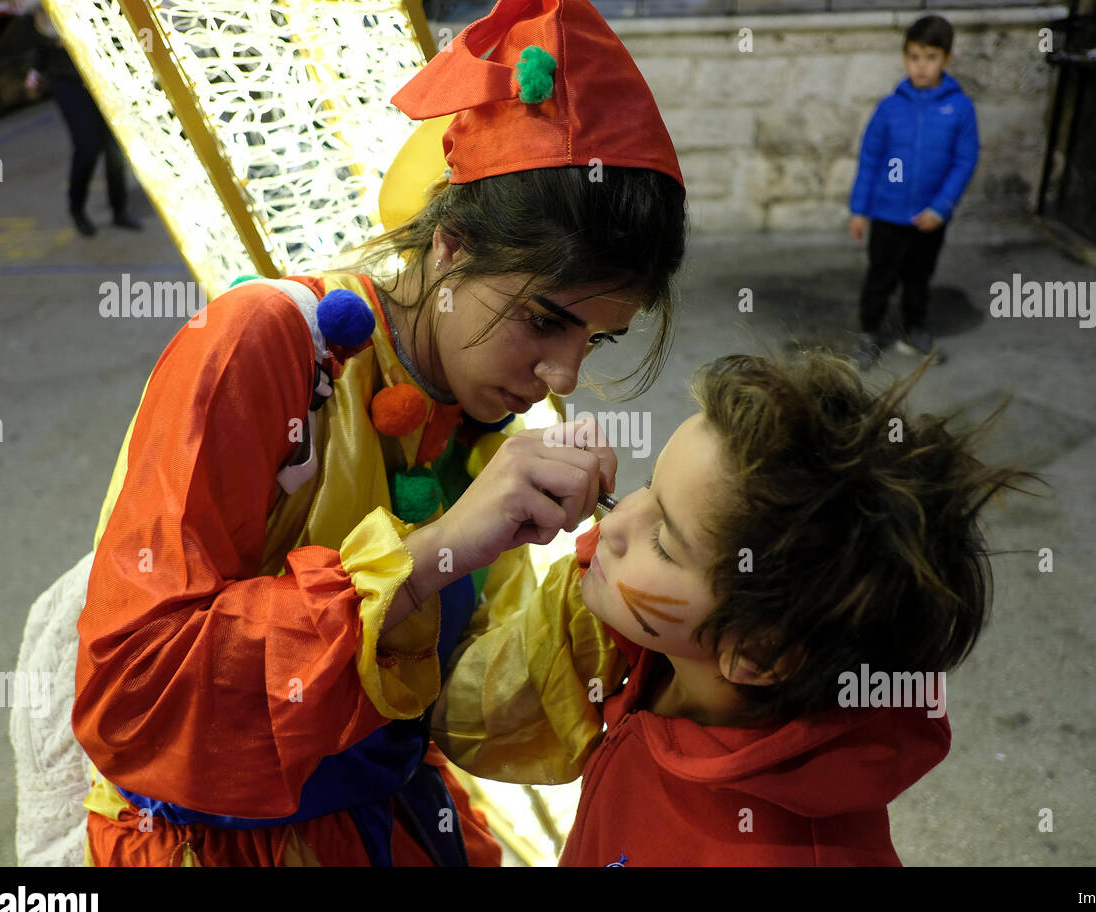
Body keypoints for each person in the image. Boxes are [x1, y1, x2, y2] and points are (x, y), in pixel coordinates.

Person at [58, 0, 688, 866]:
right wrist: (430, 554)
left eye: (597, 339)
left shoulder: (475, 418)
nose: (565, 378)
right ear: (452, 248)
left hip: (389, 822)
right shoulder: (265, 344)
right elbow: (135, 695)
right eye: (545, 321)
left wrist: (614, 590)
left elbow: (453, 709)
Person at [433, 352, 1041, 865]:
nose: (614, 520)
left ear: (757, 651)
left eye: (665, 541)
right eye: (646, 488)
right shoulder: (681, 651)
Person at [848, 15, 979, 370]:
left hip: (928, 219)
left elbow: (964, 161)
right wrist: (859, 209)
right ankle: (869, 332)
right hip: (887, 215)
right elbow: (870, 159)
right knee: (880, 276)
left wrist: (941, 208)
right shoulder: (890, 108)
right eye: (915, 57)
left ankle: (913, 329)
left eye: (931, 57)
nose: (922, 66)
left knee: (919, 278)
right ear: (906, 58)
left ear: (947, 59)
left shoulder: (960, 108)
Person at [22, 5, 141, 237]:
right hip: (68, 81)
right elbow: (38, 39)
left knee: (115, 146)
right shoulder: (45, 10)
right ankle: (77, 208)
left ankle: (119, 209)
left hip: (103, 77)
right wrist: (35, 72)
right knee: (88, 147)